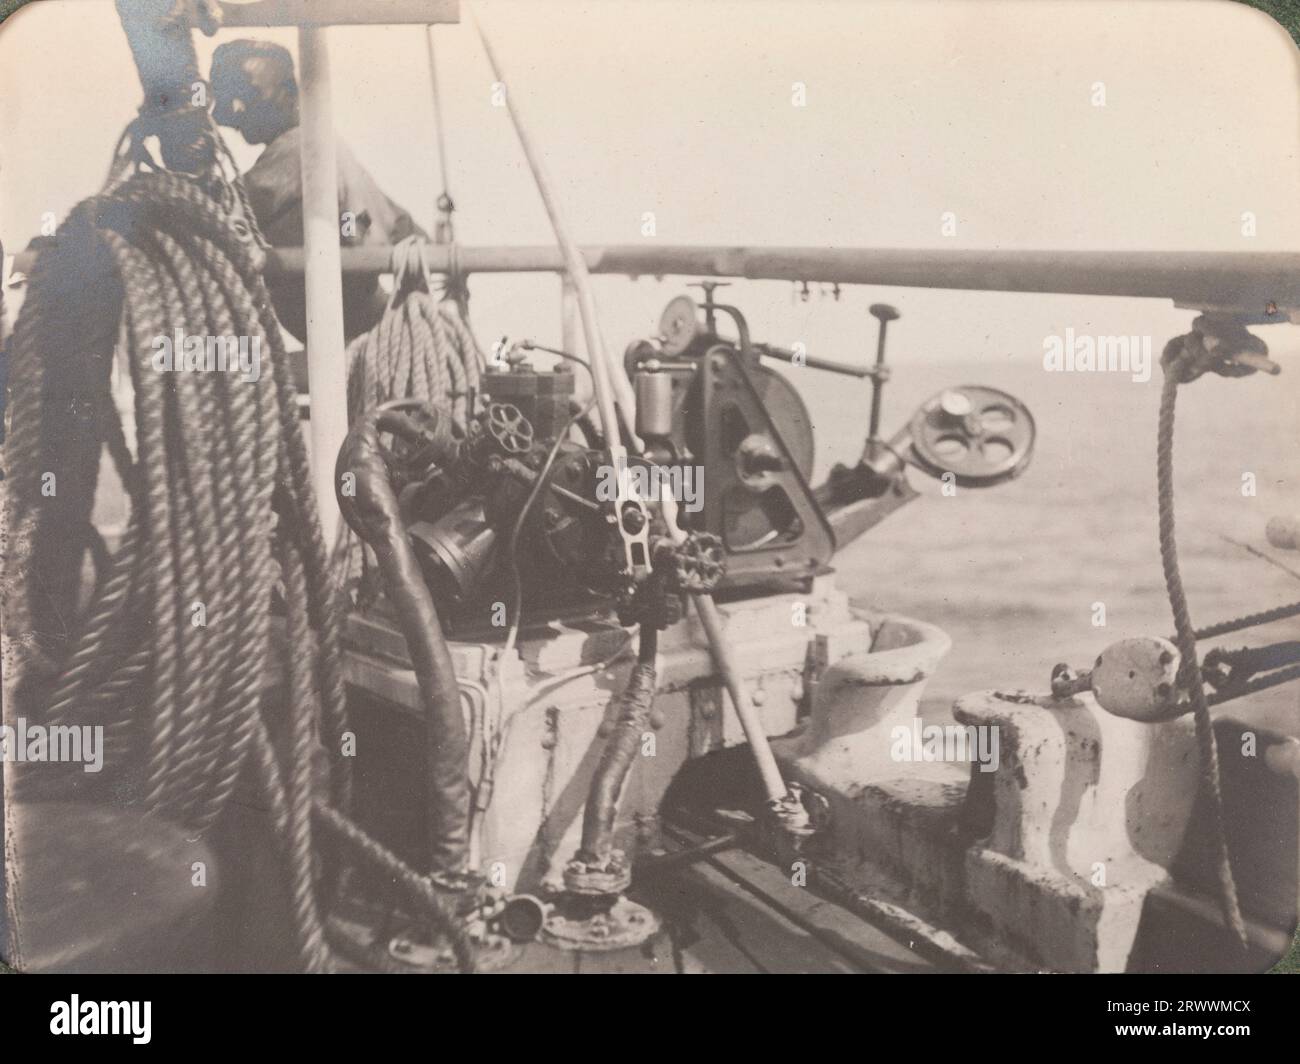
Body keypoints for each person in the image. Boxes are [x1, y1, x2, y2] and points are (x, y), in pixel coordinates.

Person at [209, 38, 427, 343]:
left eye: (248, 94)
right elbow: (403, 226)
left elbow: (216, 209)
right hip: (365, 322)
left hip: (356, 327)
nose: (236, 108)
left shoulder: (300, 148)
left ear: (287, 94)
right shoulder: (327, 149)